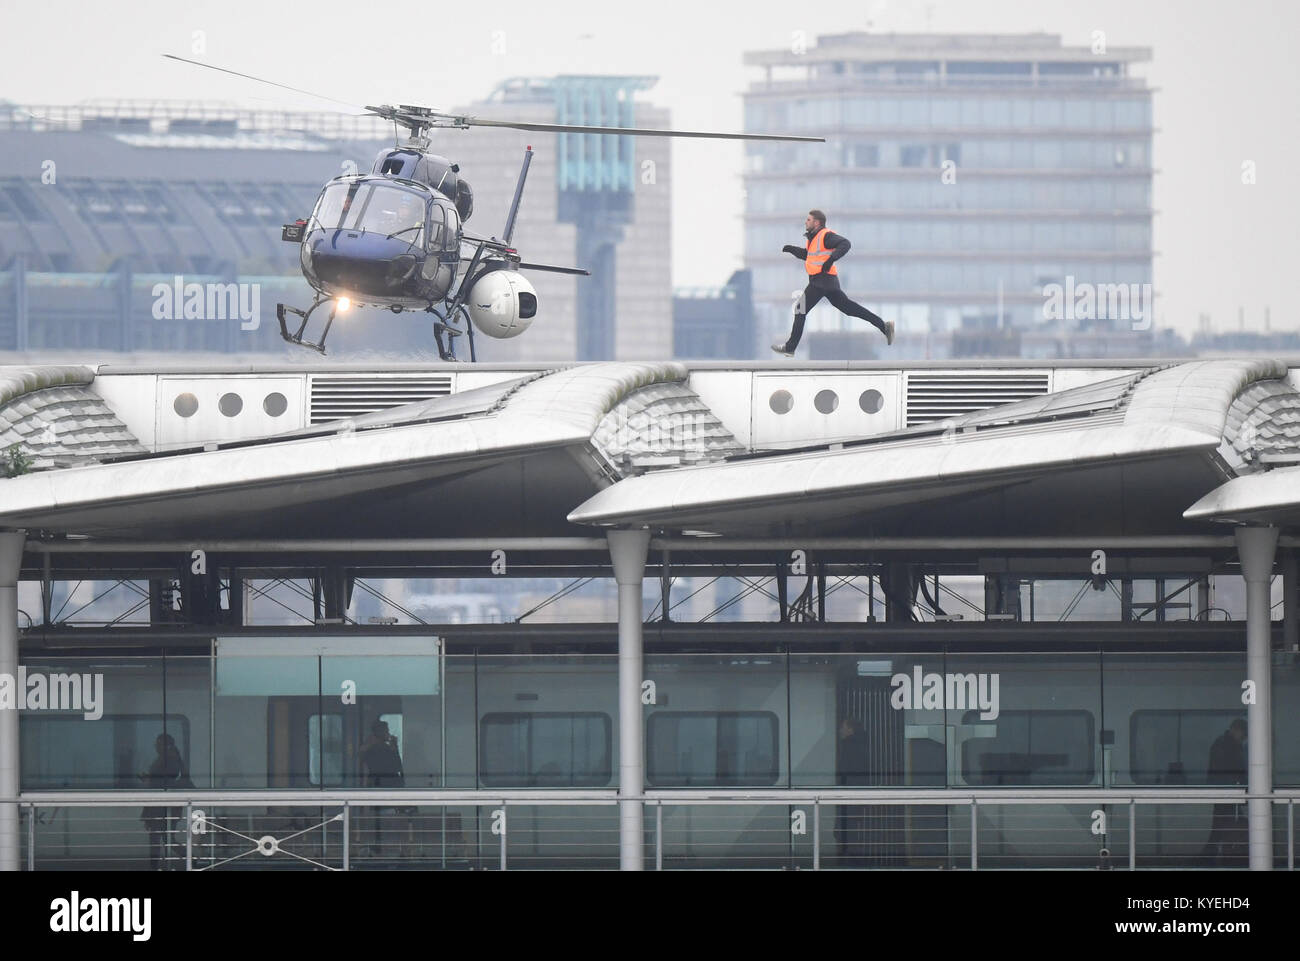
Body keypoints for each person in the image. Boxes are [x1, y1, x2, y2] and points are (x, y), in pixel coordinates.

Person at [772, 209, 894, 356]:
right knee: (849, 309)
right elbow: (809, 256)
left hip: (820, 281)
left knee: (800, 310)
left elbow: (845, 244)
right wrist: (792, 249)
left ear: (817, 222)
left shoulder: (825, 236)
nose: (806, 222)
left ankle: (790, 348)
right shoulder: (814, 238)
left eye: (808, 219)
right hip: (828, 282)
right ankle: (884, 326)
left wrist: (831, 260)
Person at [138, 733, 192, 870]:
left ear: (165, 745)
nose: (156, 747)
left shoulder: (170, 759)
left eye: (158, 744)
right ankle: (191, 861)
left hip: (162, 806)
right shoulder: (169, 758)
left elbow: (167, 781)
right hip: (162, 806)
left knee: (160, 839)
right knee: (165, 839)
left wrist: (149, 780)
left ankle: (155, 866)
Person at [1203, 718, 1247, 864]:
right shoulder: (1228, 746)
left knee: (1220, 828)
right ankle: (1224, 859)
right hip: (1227, 793)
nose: (1243, 738)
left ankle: (1212, 859)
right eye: (1242, 734)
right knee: (1227, 827)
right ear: (1236, 730)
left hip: (1225, 793)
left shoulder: (1222, 744)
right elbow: (1231, 771)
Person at [359, 719, 405, 856]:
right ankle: (387, 851)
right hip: (387, 789)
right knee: (387, 822)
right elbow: (397, 766)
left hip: (376, 789)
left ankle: (378, 848)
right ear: (380, 733)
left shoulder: (370, 749)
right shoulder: (383, 749)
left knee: (378, 822)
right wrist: (394, 748)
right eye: (386, 731)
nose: (388, 733)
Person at [835, 717, 872, 862]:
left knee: (845, 831)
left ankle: (848, 861)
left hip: (847, 797)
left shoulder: (848, 746)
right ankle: (852, 859)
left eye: (842, 727)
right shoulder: (861, 746)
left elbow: (845, 773)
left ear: (850, 729)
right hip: (855, 796)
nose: (840, 730)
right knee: (850, 830)